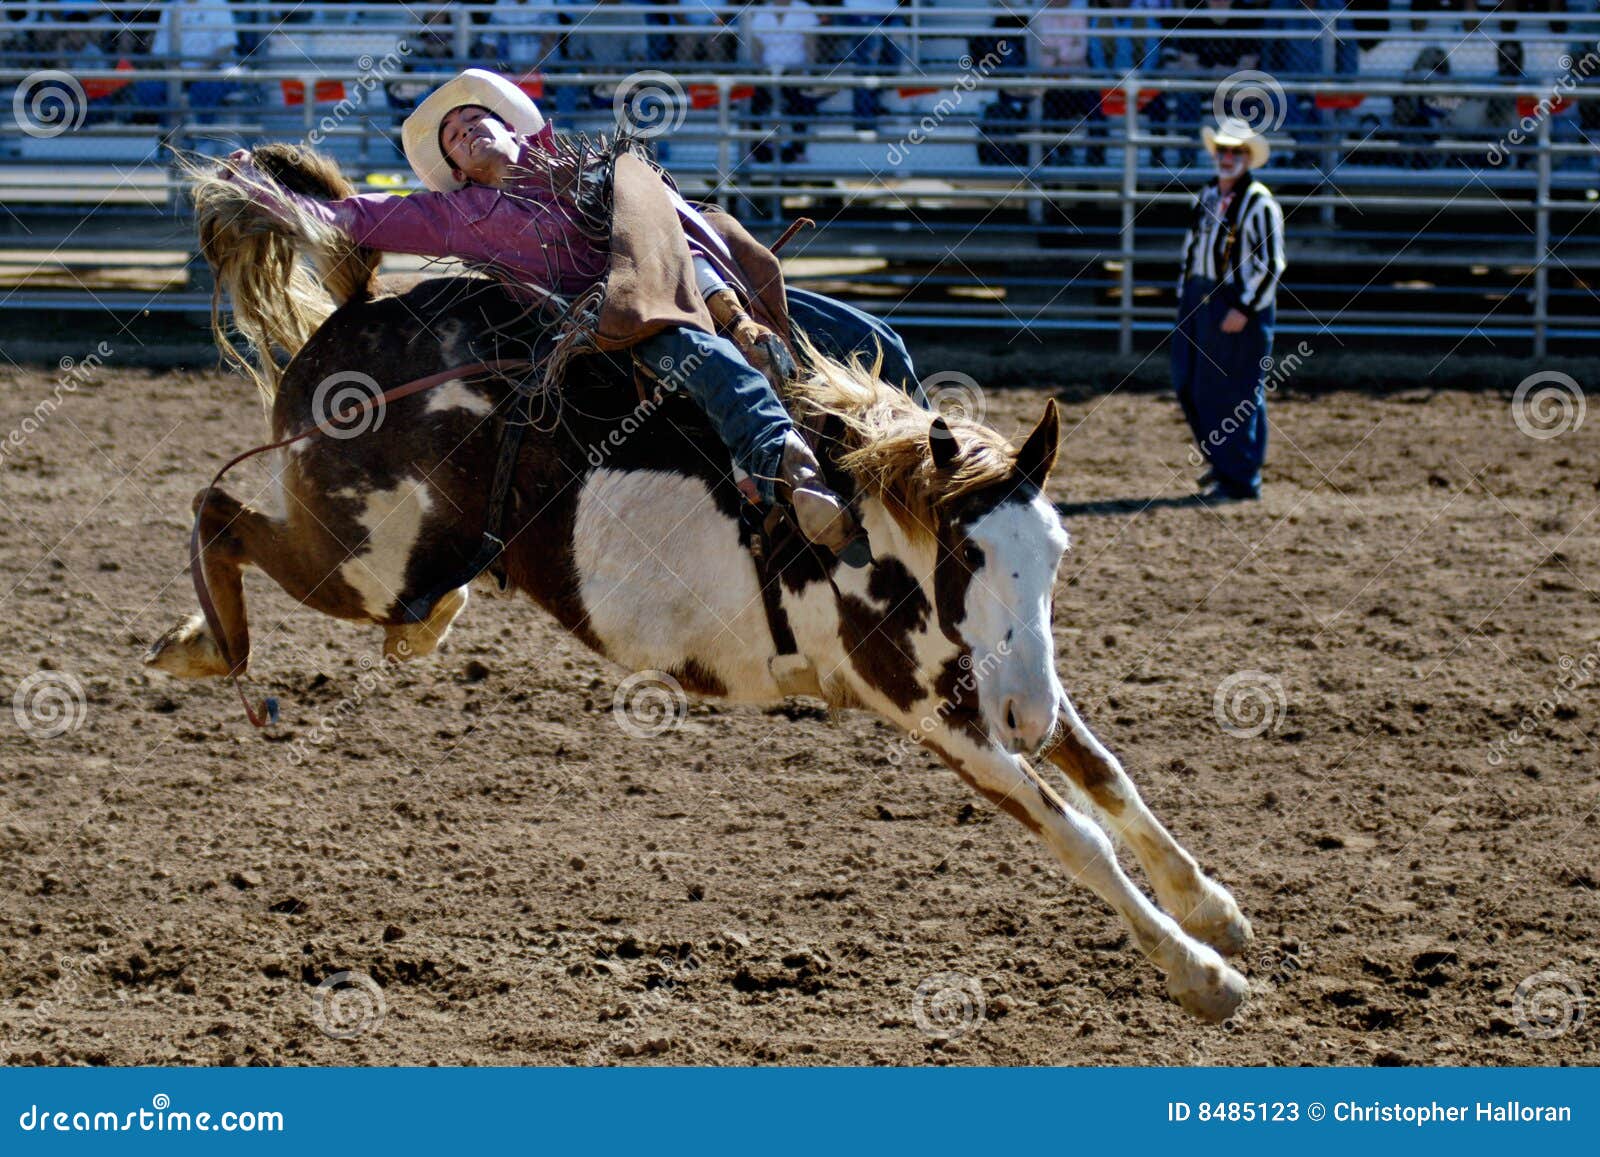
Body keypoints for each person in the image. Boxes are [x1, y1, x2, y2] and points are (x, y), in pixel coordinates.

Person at [224, 70, 917, 563]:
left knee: (872, 339)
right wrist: (264, 194)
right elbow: (351, 216)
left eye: (473, 121)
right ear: (455, 170)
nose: (465, 134)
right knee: (714, 366)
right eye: (454, 139)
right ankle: (794, 476)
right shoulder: (458, 216)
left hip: (697, 269)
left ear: (508, 127)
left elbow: (657, 208)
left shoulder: (580, 161)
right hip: (627, 317)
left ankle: (922, 459)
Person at [1171, 120, 1285, 502]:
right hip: (1200, 299)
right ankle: (1223, 465)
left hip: (1236, 302)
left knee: (1236, 392)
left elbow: (1270, 264)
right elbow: (1191, 247)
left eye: (1236, 152)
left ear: (1248, 158)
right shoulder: (1205, 195)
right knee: (1191, 384)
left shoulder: (1259, 203)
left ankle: (1240, 478)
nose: (1228, 158)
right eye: (1223, 151)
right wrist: (1184, 296)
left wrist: (1244, 307)